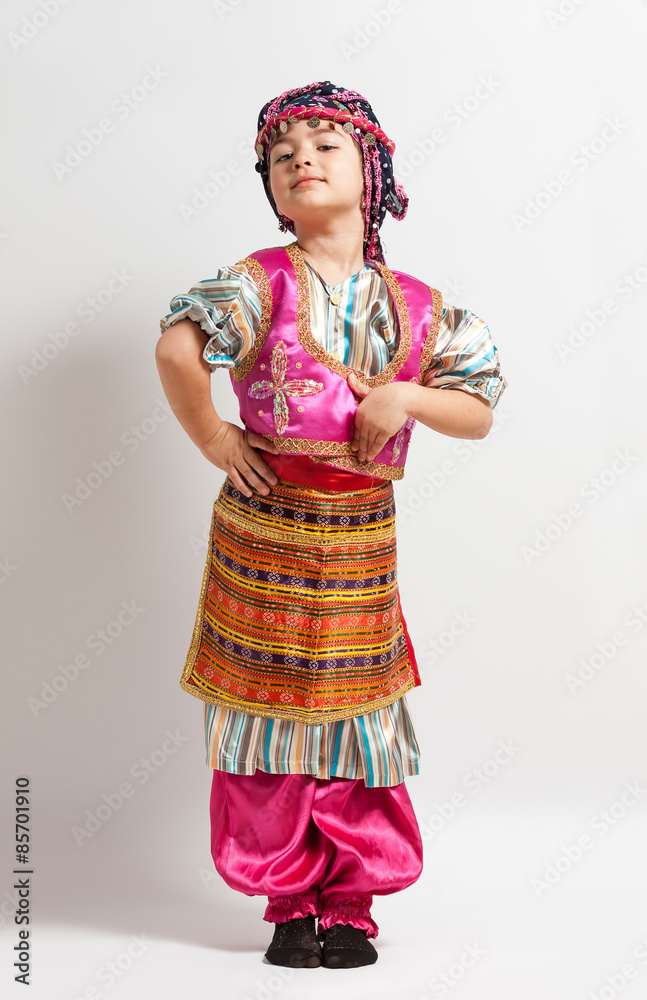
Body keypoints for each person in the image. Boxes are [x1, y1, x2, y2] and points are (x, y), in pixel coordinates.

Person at [155, 81, 507, 970]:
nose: (301, 160)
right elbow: (176, 346)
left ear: (373, 170)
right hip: (262, 530)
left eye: (324, 145)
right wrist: (211, 435)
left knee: (358, 717)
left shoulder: (420, 306)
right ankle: (286, 896)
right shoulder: (255, 282)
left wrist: (404, 395)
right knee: (264, 713)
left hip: (359, 542)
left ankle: (350, 900)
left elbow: (477, 408)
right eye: (282, 155)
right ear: (272, 192)